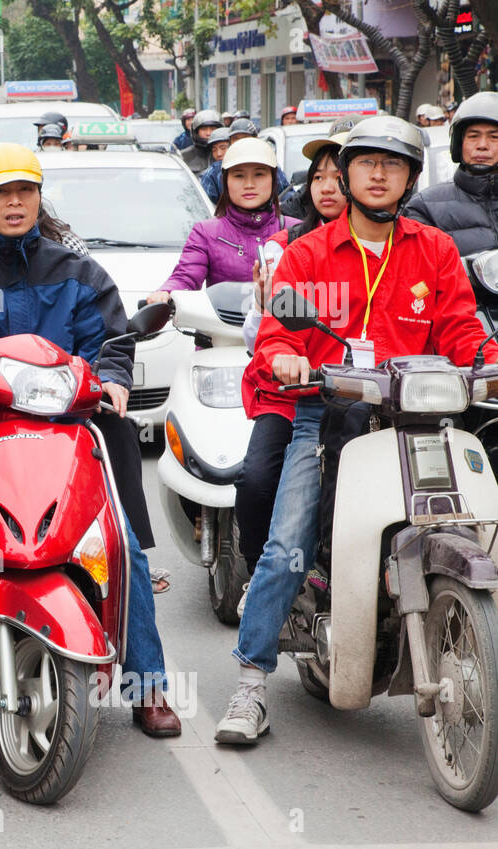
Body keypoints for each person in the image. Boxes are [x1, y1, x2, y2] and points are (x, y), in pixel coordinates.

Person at [215, 117, 497, 745]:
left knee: (470, 520)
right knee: (287, 542)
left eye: (392, 165)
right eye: (366, 162)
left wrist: (486, 356)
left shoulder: (435, 250)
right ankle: (250, 685)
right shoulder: (308, 253)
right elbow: (279, 332)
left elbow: (459, 328)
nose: (378, 174)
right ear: (344, 175)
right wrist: (287, 354)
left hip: (417, 413)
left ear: (410, 180)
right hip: (326, 412)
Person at [0, 144, 180, 736]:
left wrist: (115, 379)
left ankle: (148, 686)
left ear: (40, 197)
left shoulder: (78, 271)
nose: (13, 202)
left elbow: (112, 338)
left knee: (122, 549)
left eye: (24, 191)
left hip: (66, 429)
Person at [232, 130, 350, 618]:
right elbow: (256, 336)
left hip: (370, 394)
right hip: (291, 395)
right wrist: (264, 315)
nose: (327, 188)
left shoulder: (401, 246)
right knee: (257, 480)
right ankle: (264, 575)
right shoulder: (284, 249)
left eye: (337, 178)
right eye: (317, 177)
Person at [149, 138, 297, 306]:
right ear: (225, 182)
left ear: (273, 179)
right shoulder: (205, 232)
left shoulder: (297, 231)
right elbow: (186, 277)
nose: (249, 184)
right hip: (219, 331)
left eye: (259, 174)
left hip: (284, 331)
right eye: (239, 176)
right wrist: (167, 292)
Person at [404, 91, 498, 258]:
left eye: (494, 137)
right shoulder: (424, 207)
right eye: (473, 136)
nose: (482, 145)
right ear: (458, 145)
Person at [200, 119, 291, 205]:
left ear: (256, 139)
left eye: (259, 174)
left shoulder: (270, 164)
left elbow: (287, 194)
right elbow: (204, 205)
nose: (249, 185)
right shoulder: (215, 171)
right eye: (236, 138)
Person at [180, 109, 223, 174]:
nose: (208, 133)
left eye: (213, 129)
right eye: (204, 129)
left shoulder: (229, 154)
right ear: (196, 132)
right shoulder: (183, 156)